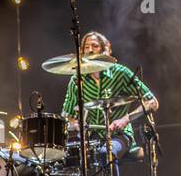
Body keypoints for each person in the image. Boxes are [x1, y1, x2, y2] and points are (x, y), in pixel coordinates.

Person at [61, 31, 158, 160]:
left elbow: (152, 102)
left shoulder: (120, 73)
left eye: (95, 46)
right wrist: (76, 124)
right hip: (91, 137)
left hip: (119, 135)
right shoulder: (76, 79)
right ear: (81, 52)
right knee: (62, 157)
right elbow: (67, 116)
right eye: (86, 47)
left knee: (105, 154)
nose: (90, 50)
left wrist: (125, 120)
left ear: (103, 50)